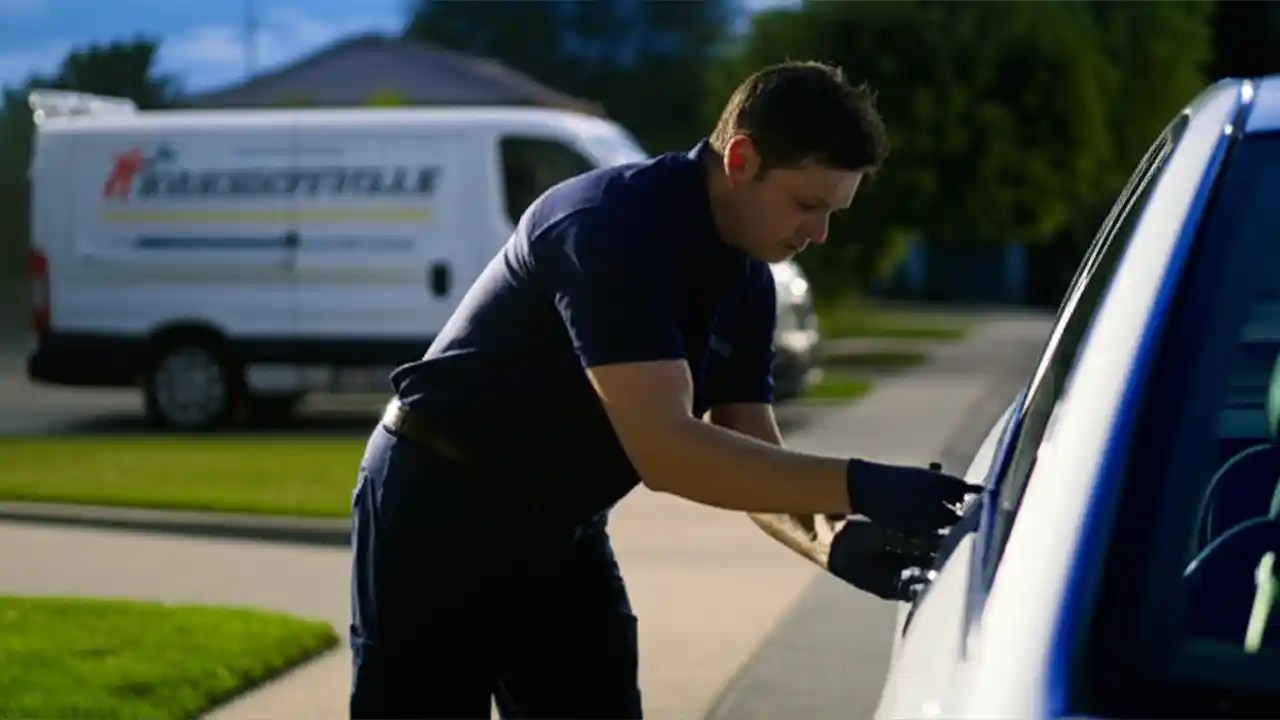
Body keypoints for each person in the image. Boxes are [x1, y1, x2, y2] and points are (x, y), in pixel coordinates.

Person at [348, 60, 978, 719]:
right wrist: (862, 483)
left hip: (561, 526)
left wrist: (836, 540)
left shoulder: (747, 280)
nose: (818, 233)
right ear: (741, 159)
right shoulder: (611, 224)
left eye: (832, 213)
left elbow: (752, 456)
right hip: (437, 505)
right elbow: (667, 451)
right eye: (807, 205)